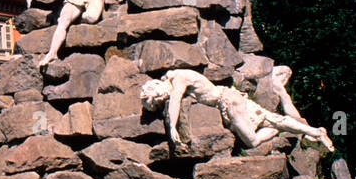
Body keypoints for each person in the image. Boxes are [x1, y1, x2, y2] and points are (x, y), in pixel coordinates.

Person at [140, 68, 335, 153]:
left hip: (229, 102)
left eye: (159, 97)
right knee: (271, 119)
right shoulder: (177, 79)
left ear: (158, 86)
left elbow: (174, 100)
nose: (163, 100)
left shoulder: (179, 78)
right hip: (229, 103)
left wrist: (172, 126)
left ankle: (286, 130)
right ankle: (315, 132)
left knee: (252, 141)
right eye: (159, 102)